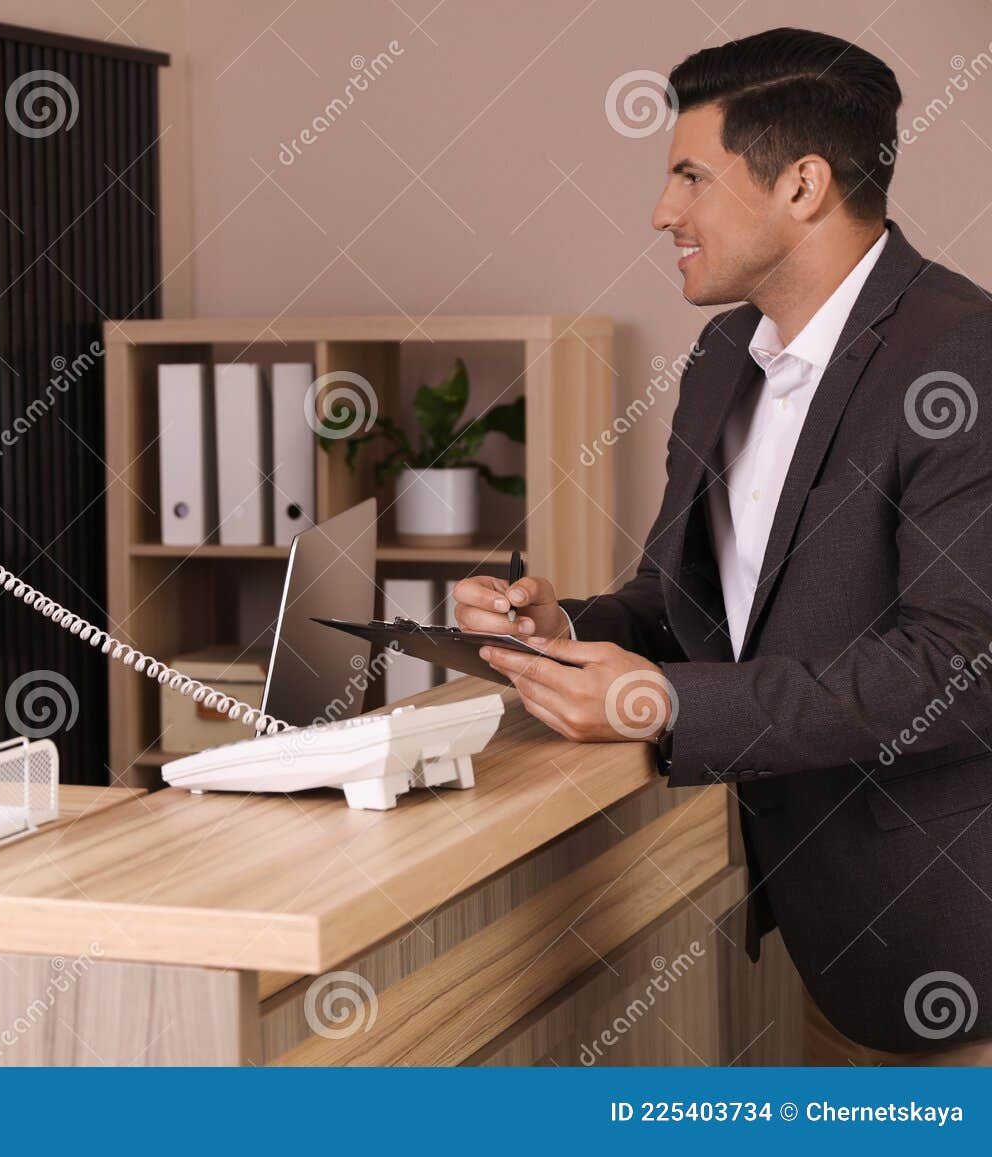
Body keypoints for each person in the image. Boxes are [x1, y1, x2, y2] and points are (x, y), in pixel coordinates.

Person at [452, 28, 992, 1058]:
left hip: (948, 939)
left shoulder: (964, 352)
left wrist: (661, 702)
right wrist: (567, 624)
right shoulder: (718, 358)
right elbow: (681, 595)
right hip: (813, 918)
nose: (663, 212)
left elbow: (959, 664)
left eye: (689, 177)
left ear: (801, 185)